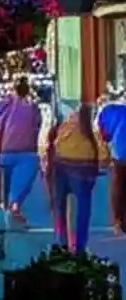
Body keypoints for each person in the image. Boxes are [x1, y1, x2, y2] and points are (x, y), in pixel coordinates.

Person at [42, 102, 110, 252]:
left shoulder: (66, 123)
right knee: (83, 208)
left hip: (61, 165)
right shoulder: (92, 129)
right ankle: (80, 247)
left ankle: (61, 244)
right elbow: (104, 155)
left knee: (59, 206)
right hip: (84, 169)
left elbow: (51, 144)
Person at [0, 78, 43, 223]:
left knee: (3, 181)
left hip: (1, 152)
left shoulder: (1, 105)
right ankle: (15, 205)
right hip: (25, 152)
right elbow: (36, 127)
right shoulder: (32, 107)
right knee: (24, 176)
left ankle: (5, 207)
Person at [97, 88, 126, 234]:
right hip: (120, 151)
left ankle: (118, 221)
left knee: (118, 184)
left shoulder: (113, 110)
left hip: (120, 152)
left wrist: (107, 139)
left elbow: (103, 130)